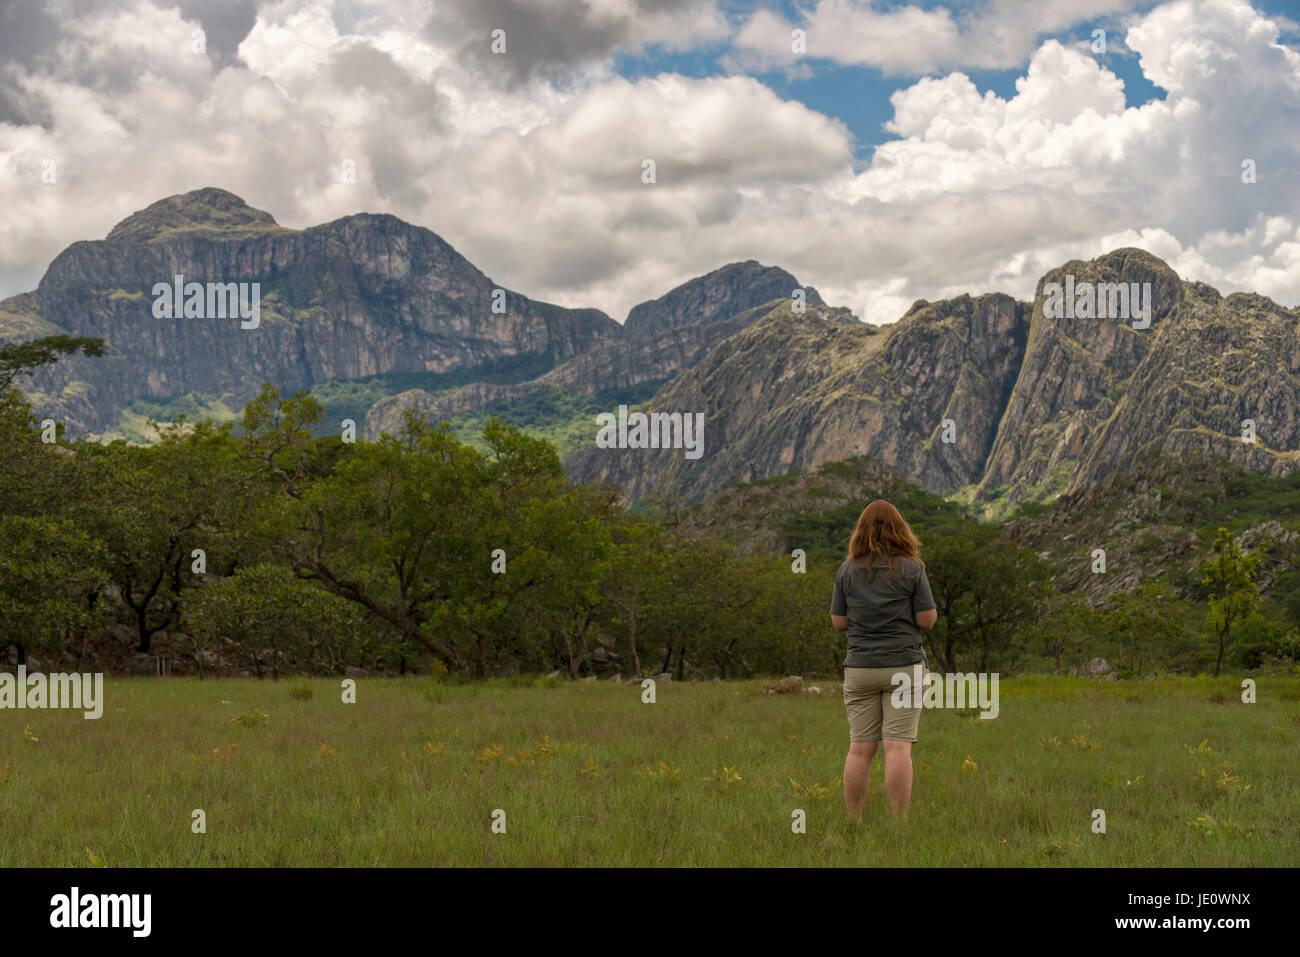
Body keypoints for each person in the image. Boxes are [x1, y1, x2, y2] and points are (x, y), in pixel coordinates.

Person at [829, 499, 937, 822]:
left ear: (860, 531)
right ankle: (899, 823)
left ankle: (854, 821)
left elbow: (838, 622)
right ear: (900, 529)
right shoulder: (913, 570)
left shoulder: (847, 570)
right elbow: (928, 620)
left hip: (860, 668)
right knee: (898, 748)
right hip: (903, 666)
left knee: (859, 750)